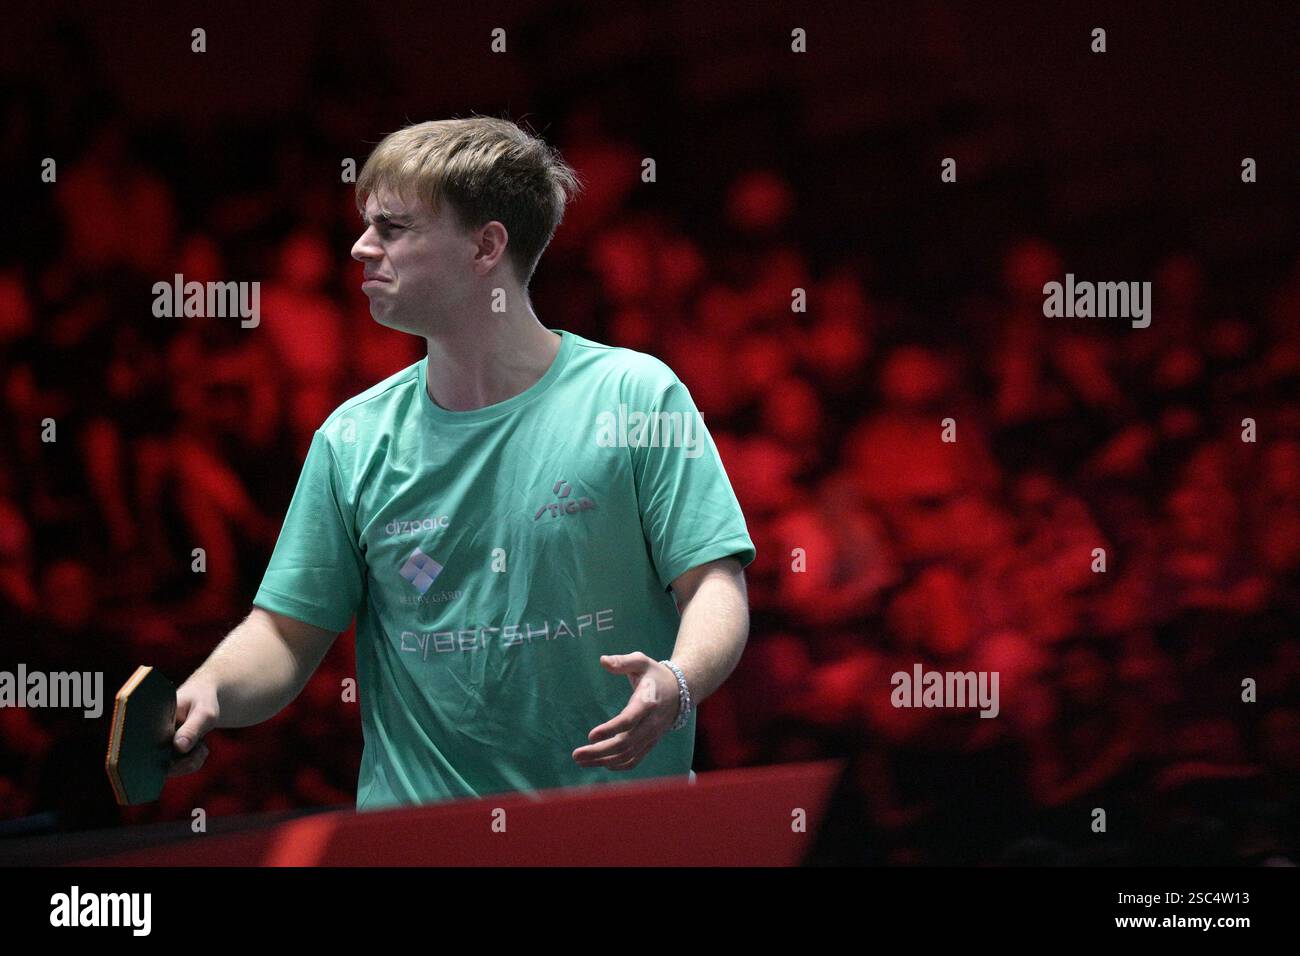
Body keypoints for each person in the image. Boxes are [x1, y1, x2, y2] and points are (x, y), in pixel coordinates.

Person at [168, 116, 756, 810]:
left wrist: (678, 681)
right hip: (418, 847)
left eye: (392, 228)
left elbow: (715, 585)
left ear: (486, 247)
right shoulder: (352, 440)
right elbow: (287, 634)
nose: (360, 248)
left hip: (620, 834)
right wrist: (210, 687)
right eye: (365, 225)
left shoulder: (637, 396)